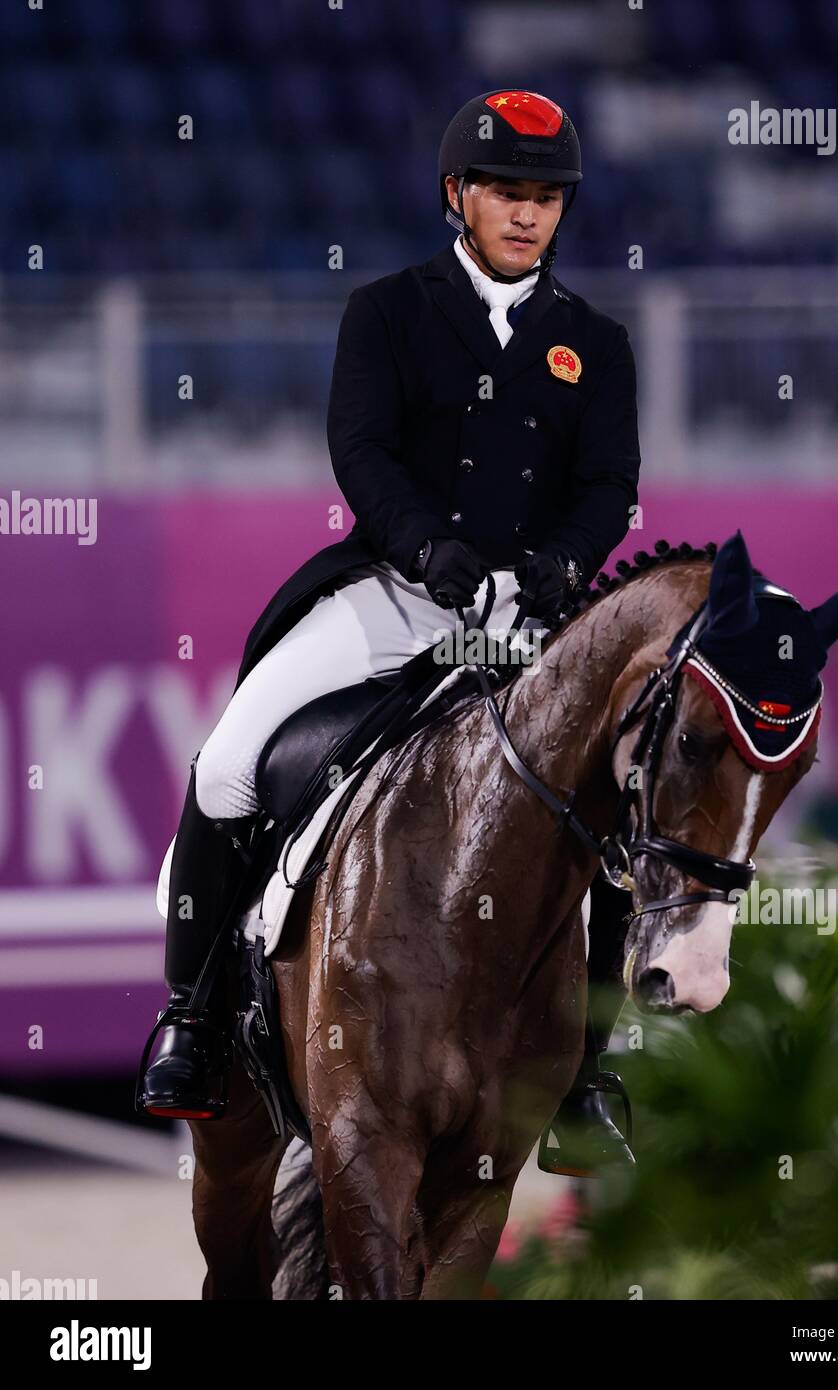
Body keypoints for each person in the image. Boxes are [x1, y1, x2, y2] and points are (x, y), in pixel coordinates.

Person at [136, 89, 641, 1170]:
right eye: (507, 192)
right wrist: (424, 546)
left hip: (526, 620)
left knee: (604, 810)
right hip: (393, 600)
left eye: (546, 198)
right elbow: (360, 451)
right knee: (225, 764)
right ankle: (192, 1014)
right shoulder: (387, 311)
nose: (526, 215)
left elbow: (608, 484)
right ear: (459, 195)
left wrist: (562, 565)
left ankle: (586, 1076)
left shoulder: (593, 342)